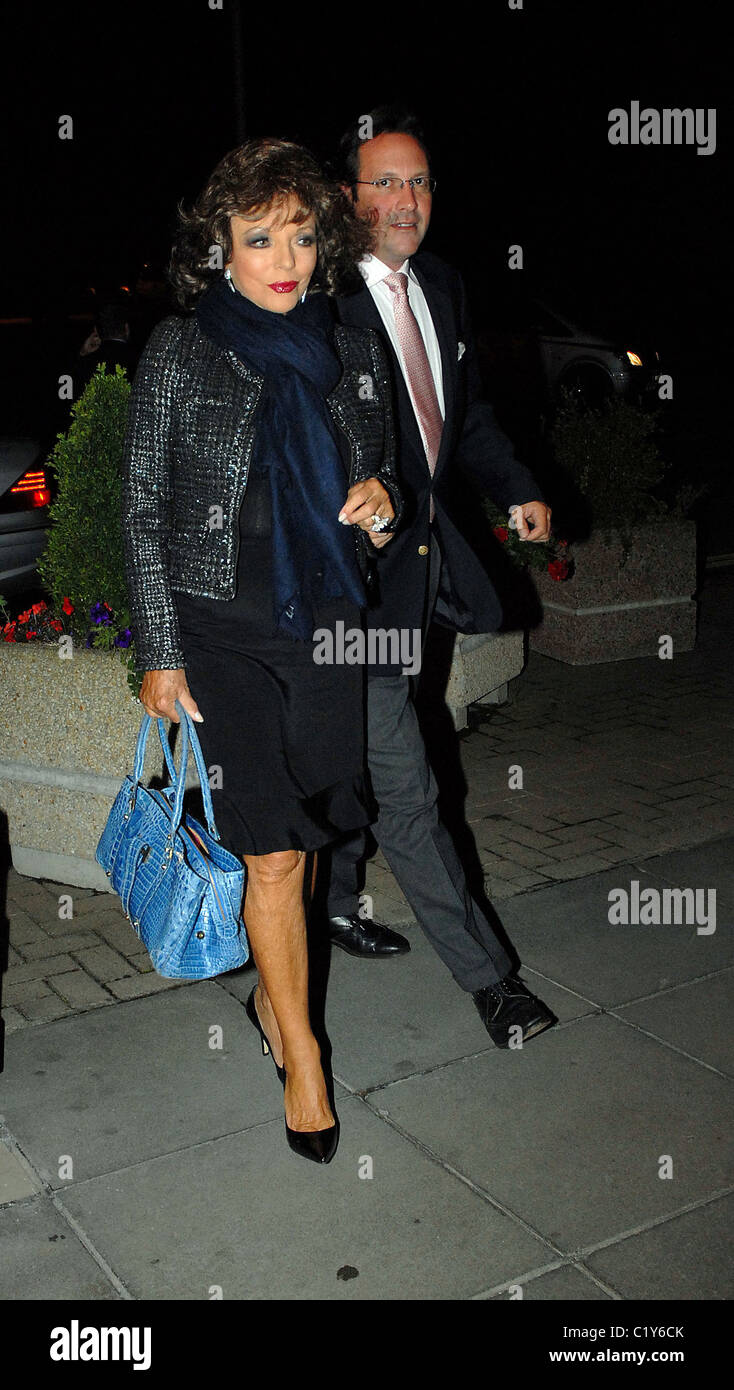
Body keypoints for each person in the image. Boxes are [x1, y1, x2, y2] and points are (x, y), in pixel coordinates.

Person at [121, 138, 401, 1164]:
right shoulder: (180, 351)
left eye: (297, 234)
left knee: (317, 831)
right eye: (257, 237)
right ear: (218, 250)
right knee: (271, 850)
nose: (282, 257)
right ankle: (304, 1059)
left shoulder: (351, 350)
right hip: (220, 635)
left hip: (325, 622)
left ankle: (273, 996)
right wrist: (160, 650)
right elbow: (143, 507)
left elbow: (377, 481)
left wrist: (385, 502)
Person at [324, 106, 556, 1047]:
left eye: (417, 181)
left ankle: (335, 899)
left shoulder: (446, 288)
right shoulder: (318, 297)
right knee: (409, 781)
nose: (404, 199)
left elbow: (468, 417)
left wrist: (517, 488)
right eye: (384, 181)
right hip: (349, 585)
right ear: (349, 197)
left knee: (365, 752)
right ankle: (491, 983)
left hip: (420, 580)